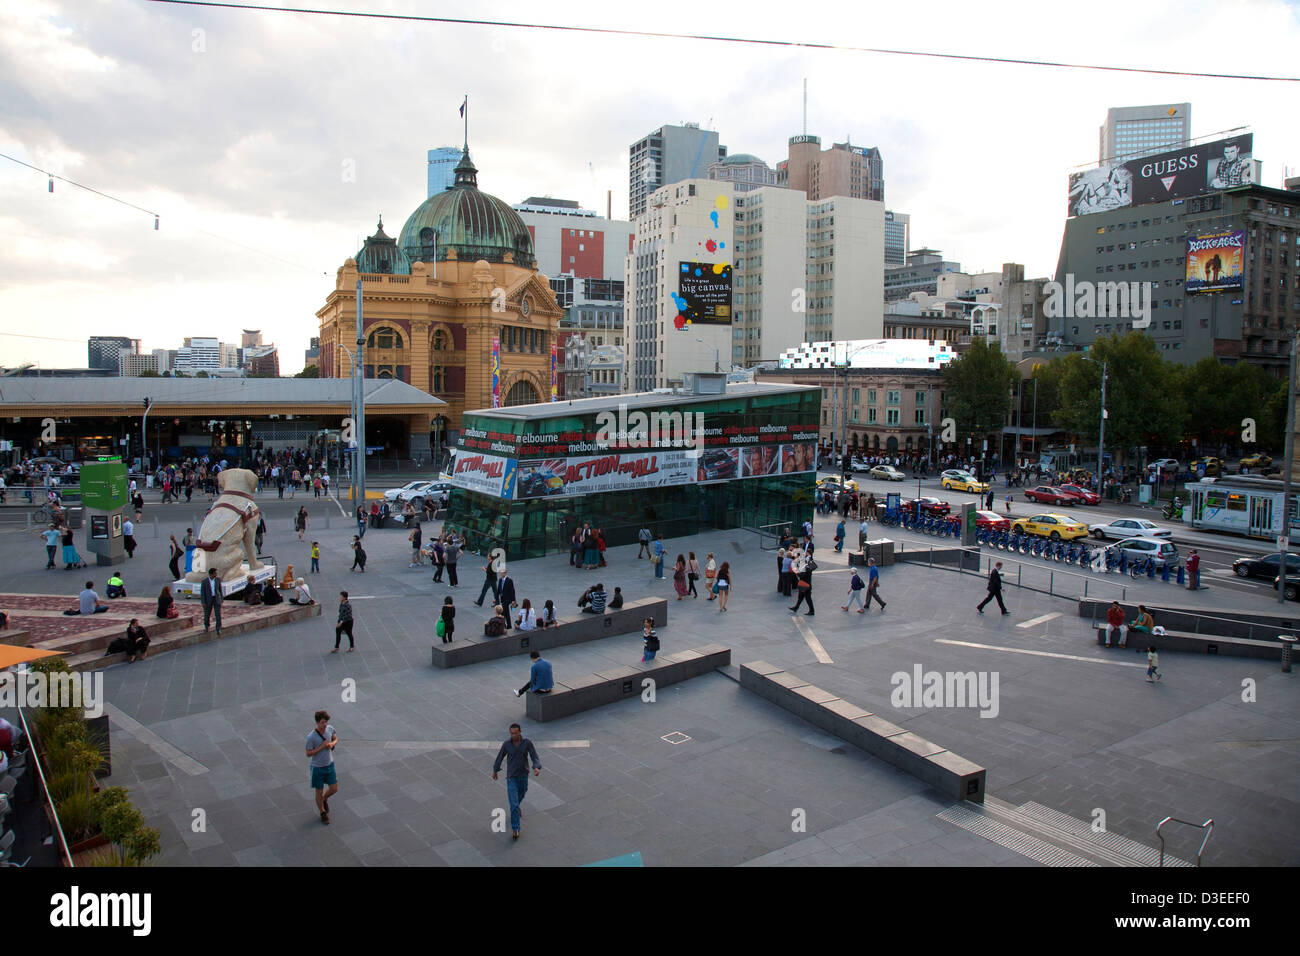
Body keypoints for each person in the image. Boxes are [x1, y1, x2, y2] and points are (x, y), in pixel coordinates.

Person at [492, 723, 542, 840]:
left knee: (522, 793)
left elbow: (534, 756)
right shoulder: (506, 745)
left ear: (520, 732)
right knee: (513, 804)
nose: (513, 735)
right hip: (511, 777)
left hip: (523, 776)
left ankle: (517, 807)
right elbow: (500, 757)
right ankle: (516, 828)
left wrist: (536, 767)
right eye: (511, 733)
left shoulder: (527, 743)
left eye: (515, 733)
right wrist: (495, 770)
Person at [306, 710, 340, 825]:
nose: (324, 724)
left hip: (329, 764)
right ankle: (322, 812)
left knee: (334, 788)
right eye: (322, 722)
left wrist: (332, 744)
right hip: (317, 768)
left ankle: (325, 799)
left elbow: (335, 738)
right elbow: (308, 753)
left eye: (325, 722)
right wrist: (321, 747)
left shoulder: (330, 729)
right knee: (318, 791)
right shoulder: (311, 737)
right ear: (317, 723)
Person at [200, 569, 223, 634]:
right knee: (207, 614)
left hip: (216, 599)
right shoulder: (204, 582)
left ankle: (218, 628)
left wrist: (221, 598)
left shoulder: (217, 580)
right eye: (215, 573)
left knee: (218, 614)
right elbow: (202, 592)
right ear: (211, 574)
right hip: (208, 600)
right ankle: (207, 626)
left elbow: (220, 589)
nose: (216, 574)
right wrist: (203, 602)